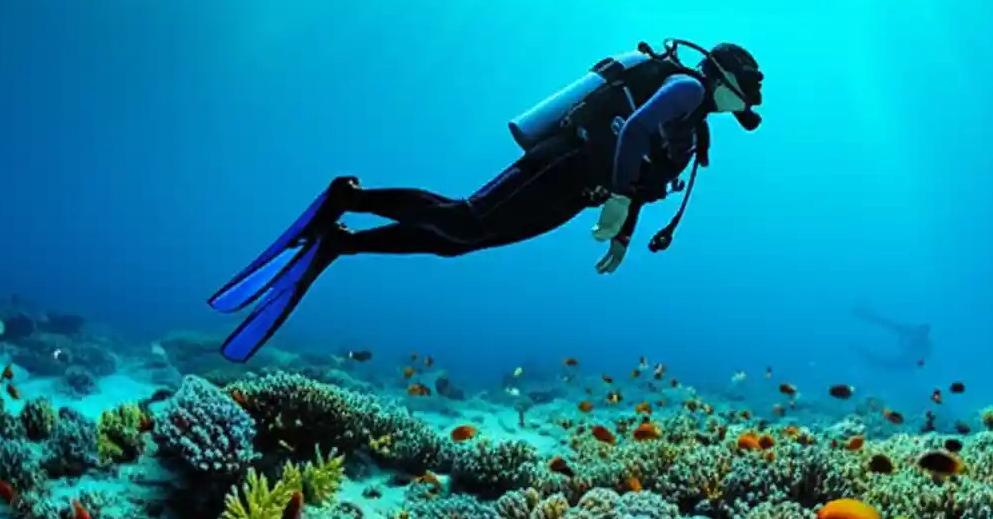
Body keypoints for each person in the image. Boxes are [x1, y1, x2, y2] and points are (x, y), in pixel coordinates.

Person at [208, 39, 765, 362]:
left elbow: (648, 172)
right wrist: (618, 201)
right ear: (725, 77)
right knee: (465, 219)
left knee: (460, 242)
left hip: (576, 192)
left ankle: (341, 244)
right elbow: (636, 129)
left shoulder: (695, 128)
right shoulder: (687, 88)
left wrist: (623, 229)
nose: (747, 99)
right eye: (747, 86)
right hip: (563, 164)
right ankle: (349, 197)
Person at [852, 305, 932, 371]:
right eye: (919, 332)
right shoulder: (910, 331)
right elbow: (888, 323)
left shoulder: (926, 345)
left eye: (921, 333)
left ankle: (860, 351)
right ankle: (860, 351)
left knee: (880, 363)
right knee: (880, 362)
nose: (919, 334)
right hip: (905, 361)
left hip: (905, 364)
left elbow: (922, 359)